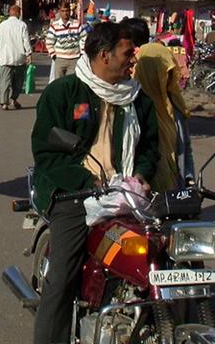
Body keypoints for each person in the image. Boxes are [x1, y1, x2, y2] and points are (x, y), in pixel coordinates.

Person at [31, 22, 159, 344]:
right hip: (74, 193)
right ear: (104, 55)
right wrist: (87, 180)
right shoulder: (63, 92)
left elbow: (149, 148)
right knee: (61, 278)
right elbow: (46, 152)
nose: (134, 60)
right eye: (128, 53)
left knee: (162, 256)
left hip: (128, 194)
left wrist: (141, 176)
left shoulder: (138, 99)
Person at [126, 17, 195, 191]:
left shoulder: (175, 105)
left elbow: (185, 149)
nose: (169, 79)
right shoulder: (133, 105)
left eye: (170, 73)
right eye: (164, 73)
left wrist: (189, 180)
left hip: (175, 195)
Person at [0, 4, 33, 110]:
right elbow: (26, 41)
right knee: (18, 81)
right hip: (19, 57)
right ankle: (13, 99)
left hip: (5, 57)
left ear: (9, 13)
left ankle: (4, 103)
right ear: (18, 14)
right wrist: (29, 53)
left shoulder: (2, 25)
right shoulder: (22, 25)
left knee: (4, 81)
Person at [45, 2, 88, 78]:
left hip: (74, 60)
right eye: (63, 11)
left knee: (71, 84)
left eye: (67, 11)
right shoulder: (55, 26)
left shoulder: (76, 24)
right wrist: (54, 56)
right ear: (60, 12)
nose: (65, 13)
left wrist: (81, 53)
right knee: (59, 84)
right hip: (60, 59)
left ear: (70, 11)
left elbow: (84, 38)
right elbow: (49, 42)